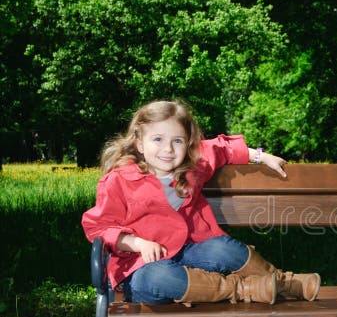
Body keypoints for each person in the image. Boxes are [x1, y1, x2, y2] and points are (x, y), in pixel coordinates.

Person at [82, 100, 320, 305]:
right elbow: (99, 227)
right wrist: (136, 243)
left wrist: (260, 156)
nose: (168, 149)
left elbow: (220, 149)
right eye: (158, 139)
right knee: (159, 277)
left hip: (189, 252)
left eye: (177, 141)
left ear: (188, 144)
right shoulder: (119, 180)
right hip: (142, 268)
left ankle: (282, 282)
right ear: (140, 143)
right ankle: (244, 289)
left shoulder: (192, 168)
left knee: (222, 248)